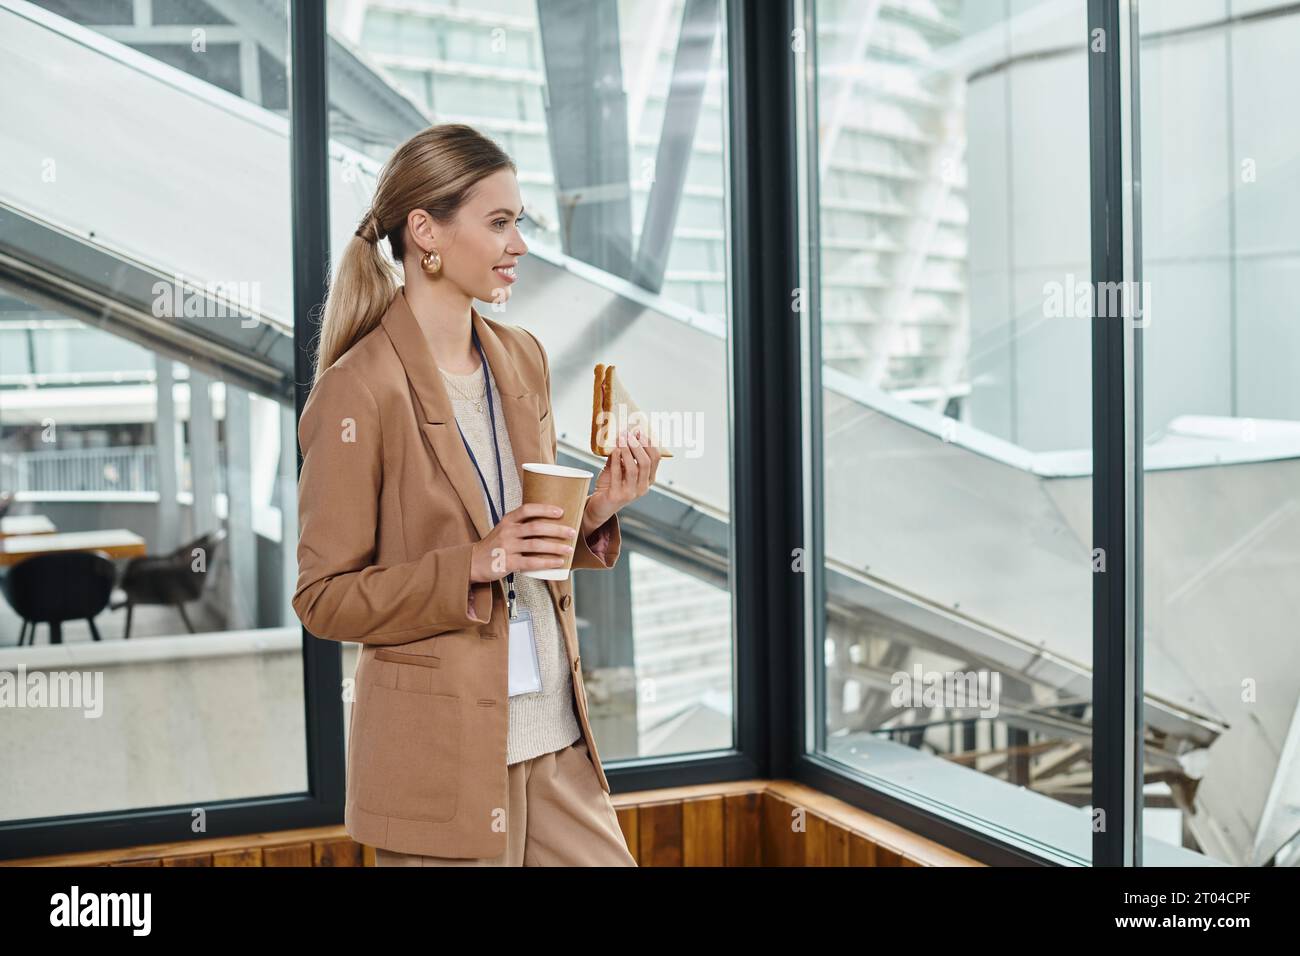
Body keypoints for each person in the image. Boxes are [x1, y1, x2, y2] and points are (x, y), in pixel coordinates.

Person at [293, 123, 662, 865]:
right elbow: (322, 598)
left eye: (518, 222)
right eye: (499, 223)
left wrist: (597, 511)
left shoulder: (521, 357)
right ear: (425, 231)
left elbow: (529, 547)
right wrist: (474, 562)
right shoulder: (355, 391)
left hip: (556, 744)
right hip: (442, 767)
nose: (518, 243)